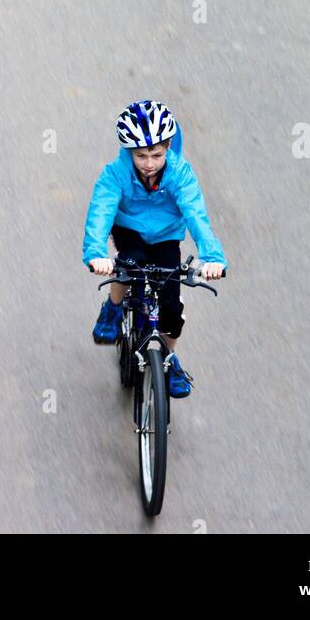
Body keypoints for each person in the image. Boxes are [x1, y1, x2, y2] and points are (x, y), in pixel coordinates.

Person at [83, 100, 226, 398]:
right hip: (129, 229)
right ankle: (112, 309)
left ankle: (169, 360)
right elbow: (101, 210)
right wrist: (96, 253)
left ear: (169, 146)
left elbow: (196, 215)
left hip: (165, 237)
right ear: (128, 152)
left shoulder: (180, 174)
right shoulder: (116, 174)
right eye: (141, 155)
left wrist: (211, 257)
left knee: (172, 307)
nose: (149, 163)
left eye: (157, 155)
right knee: (128, 263)